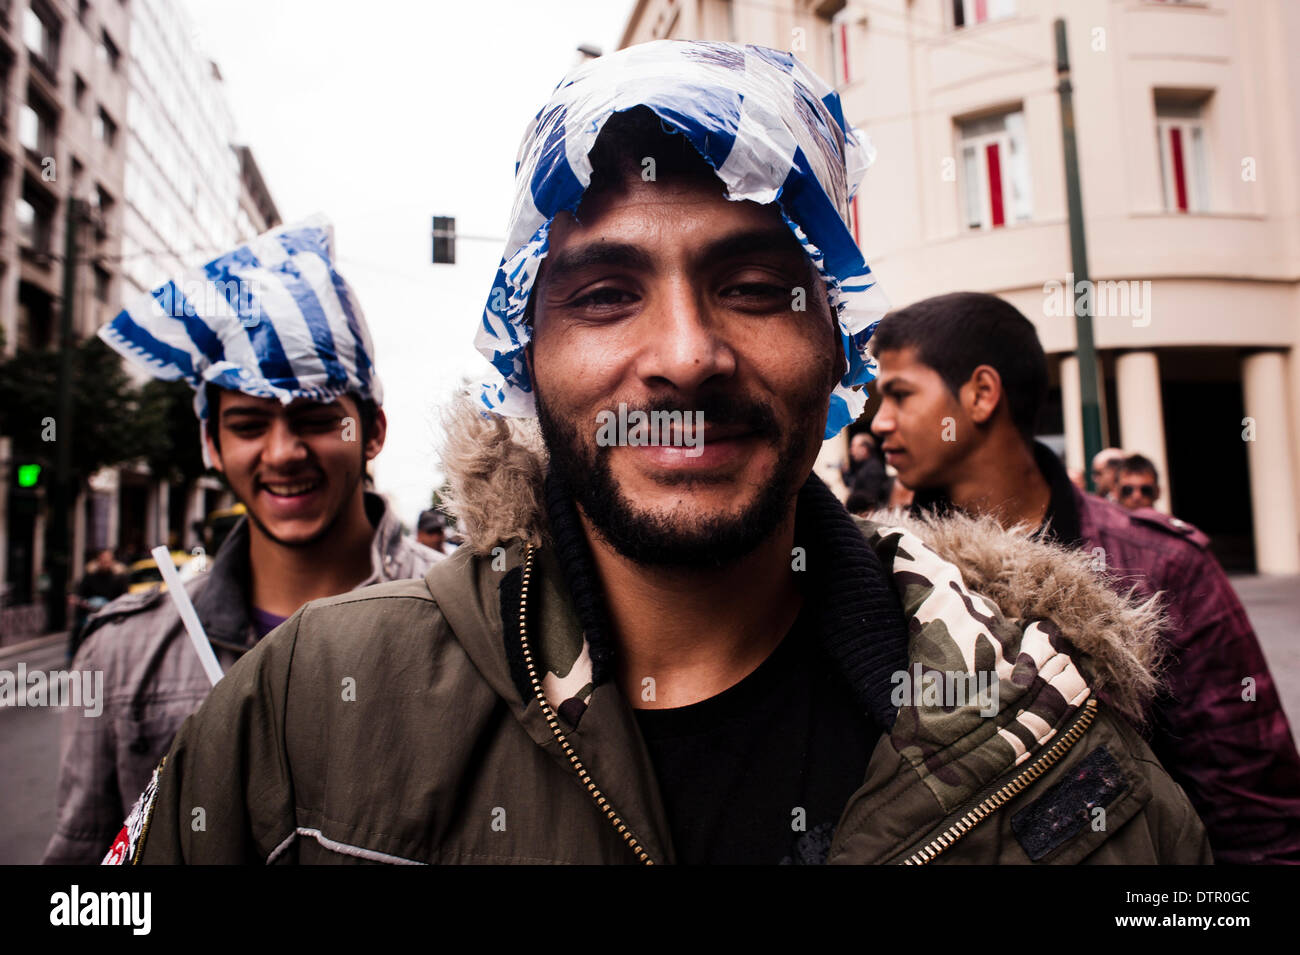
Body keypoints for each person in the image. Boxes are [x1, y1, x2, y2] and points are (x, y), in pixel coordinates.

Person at [118, 42, 1206, 866]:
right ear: (526, 357)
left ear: (836, 342)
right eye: (603, 295)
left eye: (748, 285)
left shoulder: (1071, 764)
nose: (685, 356)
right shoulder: (310, 704)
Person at [44, 217, 441, 865]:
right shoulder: (121, 656)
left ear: (371, 433)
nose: (283, 453)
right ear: (211, 442)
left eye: (315, 418)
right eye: (250, 423)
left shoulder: (470, 624)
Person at [868, 290, 1300, 864]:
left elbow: (1256, 818)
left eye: (900, 394)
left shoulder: (1162, 564)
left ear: (980, 394)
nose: (879, 422)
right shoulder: (882, 567)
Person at [67, 548, 127, 661]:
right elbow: (80, 592)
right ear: (98, 561)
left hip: (111, 614)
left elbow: (124, 595)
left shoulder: (119, 577)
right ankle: (74, 655)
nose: (105, 563)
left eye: (108, 560)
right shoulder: (90, 576)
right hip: (91, 613)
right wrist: (79, 600)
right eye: (103, 560)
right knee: (78, 630)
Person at [840, 432, 890, 509]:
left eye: (853, 446)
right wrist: (845, 473)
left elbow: (870, 498)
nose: (851, 451)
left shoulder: (873, 468)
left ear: (864, 449)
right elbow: (852, 484)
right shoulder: (864, 466)